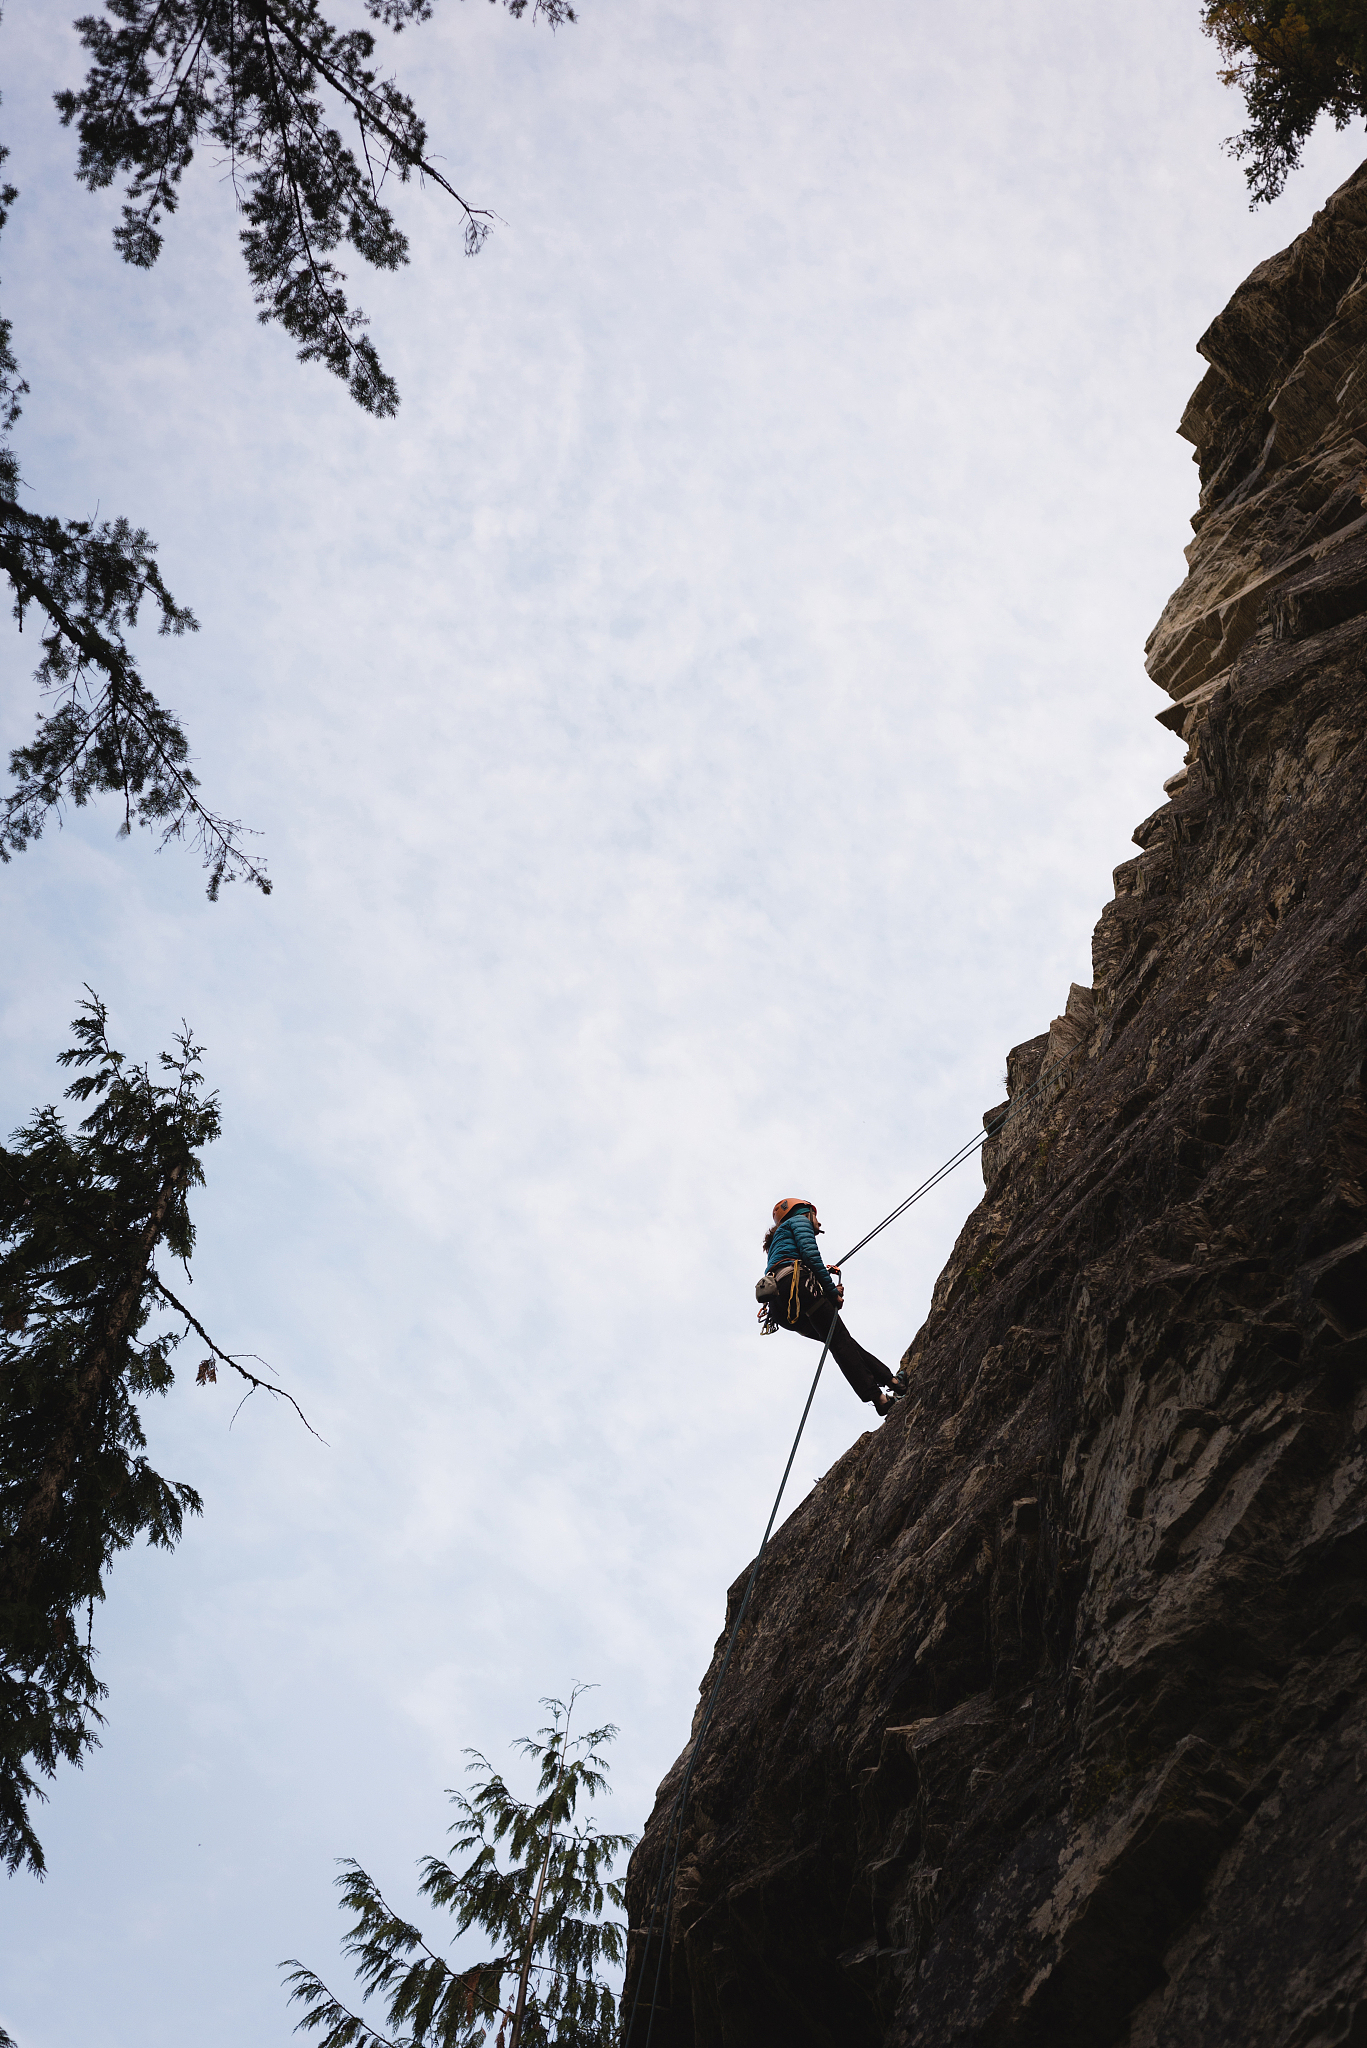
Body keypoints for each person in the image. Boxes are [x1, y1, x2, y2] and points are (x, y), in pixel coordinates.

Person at [756, 1198, 901, 1416]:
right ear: (805, 1213)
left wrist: (824, 1292)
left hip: (780, 1309)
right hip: (799, 1286)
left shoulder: (779, 1242)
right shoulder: (798, 1221)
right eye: (816, 1217)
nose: (819, 1224)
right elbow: (810, 1256)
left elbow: (793, 1264)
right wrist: (831, 1293)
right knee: (841, 1341)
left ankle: (888, 1384)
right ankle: (884, 1392)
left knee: (839, 1341)